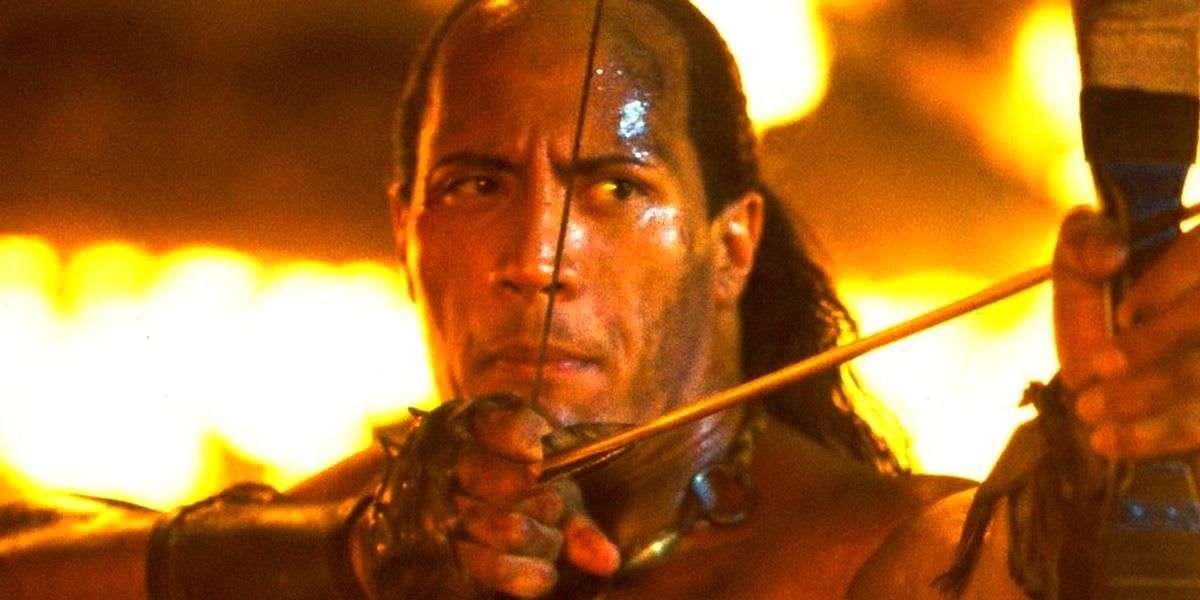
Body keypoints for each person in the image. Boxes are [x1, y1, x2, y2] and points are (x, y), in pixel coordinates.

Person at [4, 1, 1200, 598]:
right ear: (407, 232)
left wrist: (1132, 449)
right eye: (478, 186)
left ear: (732, 248)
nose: (538, 254)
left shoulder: (885, 555)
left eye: (615, 189)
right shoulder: (377, 529)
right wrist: (349, 555)